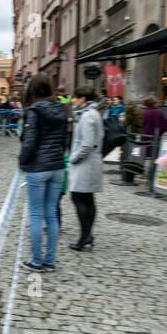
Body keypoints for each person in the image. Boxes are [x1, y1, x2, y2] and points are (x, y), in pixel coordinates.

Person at [19, 72, 69, 272]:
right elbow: (65, 140)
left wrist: (22, 161)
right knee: (51, 215)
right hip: (57, 167)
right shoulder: (62, 110)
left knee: (36, 215)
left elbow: (29, 142)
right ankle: (50, 260)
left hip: (38, 168)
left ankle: (37, 261)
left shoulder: (34, 111)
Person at [67, 87, 103, 252]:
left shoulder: (88, 116)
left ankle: (84, 237)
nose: (73, 101)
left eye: (75, 98)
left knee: (79, 198)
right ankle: (87, 235)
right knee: (87, 199)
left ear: (82, 99)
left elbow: (87, 144)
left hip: (85, 164)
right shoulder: (91, 113)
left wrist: (73, 158)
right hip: (90, 163)